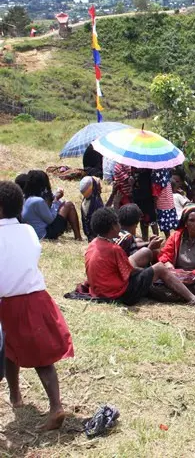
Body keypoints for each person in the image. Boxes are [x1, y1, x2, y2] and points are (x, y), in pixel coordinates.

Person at [0, 181, 74, 431]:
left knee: (33, 354)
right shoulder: (28, 231)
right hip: (36, 296)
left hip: (13, 301)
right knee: (16, 348)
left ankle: (54, 408)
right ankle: (16, 397)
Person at [85, 207, 195, 307]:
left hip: (99, 289)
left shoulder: (93, 244)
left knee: (146, 253)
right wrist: (153, 271)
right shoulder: (114, 249)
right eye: (192, 220)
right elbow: (130, 273)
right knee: (159, 268)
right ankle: (194, 299)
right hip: (117, 294)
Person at [21, 170, 81, 241]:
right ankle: (78, 237)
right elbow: (51, 219)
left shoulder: (25, 198)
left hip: (31, 234)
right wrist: (56, 200)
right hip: (44, 235)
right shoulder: (38, 201)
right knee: (69, 205)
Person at [115, 203, 163, 268]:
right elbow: (135, 261)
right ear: (137, 223)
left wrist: (149, 242)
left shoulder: (117, 233)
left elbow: (135, 244)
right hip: (127, 270)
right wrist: (150, 246)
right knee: (155, 253)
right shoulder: (128, 237)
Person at [152, 168, 178, 238]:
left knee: (166, 228)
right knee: (172, 225)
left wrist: (154, 206)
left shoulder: (156, 176)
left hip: (162, 205)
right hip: (169, 203)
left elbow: (155, 193)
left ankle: (169, 239)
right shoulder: (166, 172)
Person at [78, 176, 103, 241]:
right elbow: (105, 213)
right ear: (93, 187)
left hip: (90, 234)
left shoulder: (86, 200)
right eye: (98, 184)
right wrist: (112, 196)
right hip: (96, 235)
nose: (101, 187)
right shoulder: (95, 203)